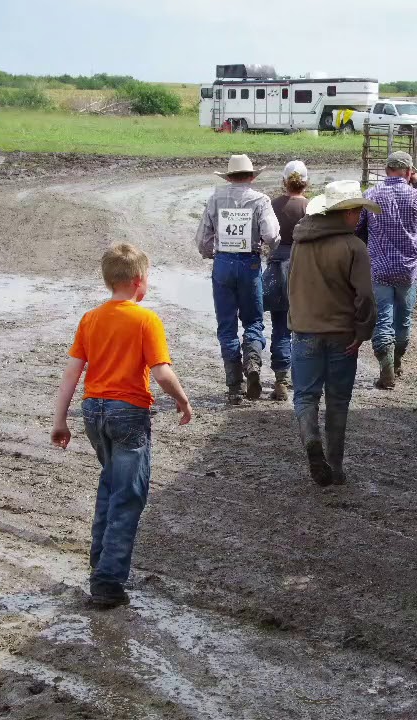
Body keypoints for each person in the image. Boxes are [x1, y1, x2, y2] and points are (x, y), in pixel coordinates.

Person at [51, 242, 194, 608]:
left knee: (111, 486)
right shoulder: (146, 319)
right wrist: (182, 400)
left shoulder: (91, 318)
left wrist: (60, 420)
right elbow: (161, 372)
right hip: (128, 412)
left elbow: (72, 373)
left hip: (93, 412)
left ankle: (101, 564)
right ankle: (108, 581)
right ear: (139, 281)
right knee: (129, 495)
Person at [287, 180, 379, 486]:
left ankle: (312, 443)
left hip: (304, 331)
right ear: (347, 213)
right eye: (358, 212)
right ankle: (336, 467)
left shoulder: (301, 242)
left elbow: (292, 284)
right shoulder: (354, 247)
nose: (360, 217)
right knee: (338, 401)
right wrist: (363, 330)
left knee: (305, 397)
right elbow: (364, 296)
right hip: (343, 335)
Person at [357, 150, 417, 390]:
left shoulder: (371, 195)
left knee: (383, 320)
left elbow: (358, 229)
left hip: (379, 269)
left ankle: (385, 367)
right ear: (409, 172)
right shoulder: (415, 194)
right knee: (404, 321)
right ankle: (397, 362)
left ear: (386, 170)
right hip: (407, 270)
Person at [195, 154, 282, 404]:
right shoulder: (260, 200)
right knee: (254, 320)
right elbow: (271, 234)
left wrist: (210, 254)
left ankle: (234, 386)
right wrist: (267, 249)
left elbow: (202, 238)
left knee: (226, 325)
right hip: (249, 262)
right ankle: (252, 361)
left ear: (230, 177)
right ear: (252, 177)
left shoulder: (216, 198)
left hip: (223, 262)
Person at [265, 160, 310, 401]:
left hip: (276, 267)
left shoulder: (273, 204)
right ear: (306, 182)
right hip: (302, 270)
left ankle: (280, 379)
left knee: (280, 326)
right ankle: (300, 376)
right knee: (302, 328)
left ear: (284, 181)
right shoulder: (310, 207)